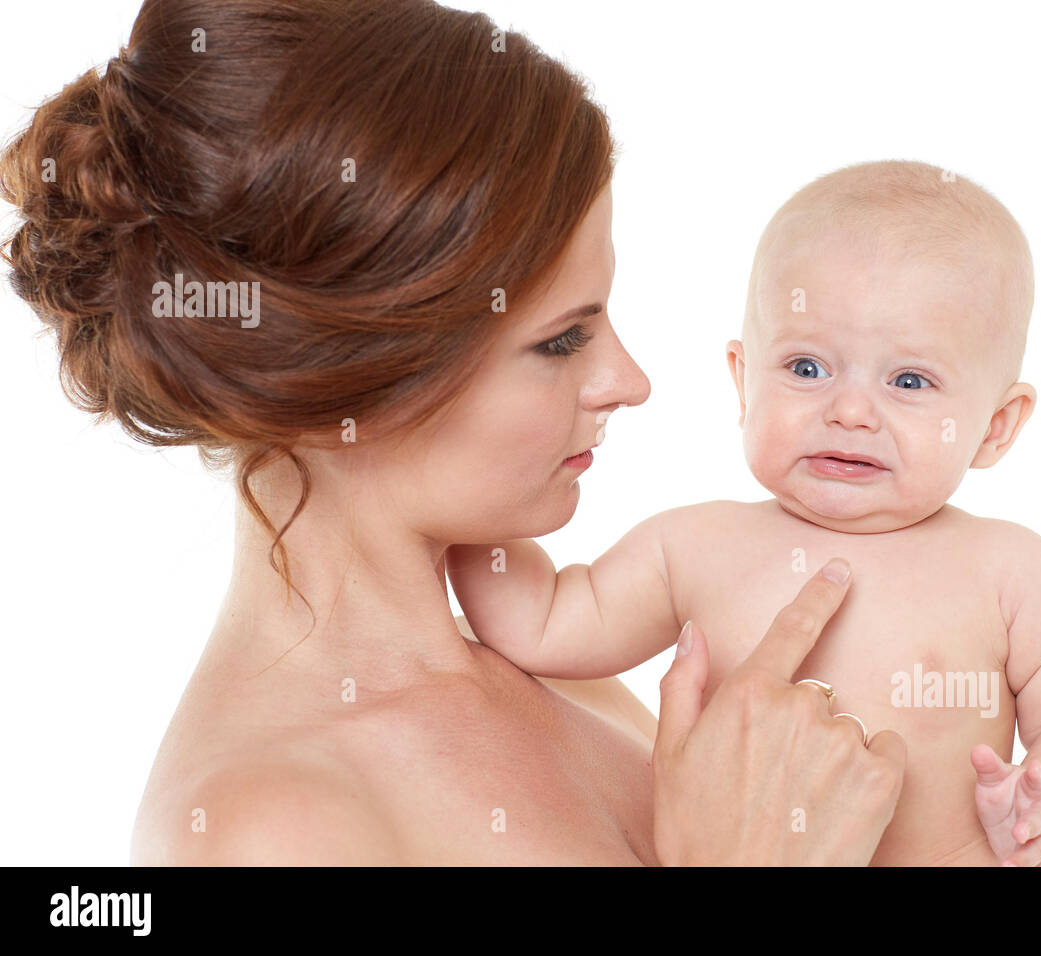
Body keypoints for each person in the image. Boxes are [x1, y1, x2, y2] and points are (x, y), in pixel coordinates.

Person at [0, 0, 904, 865]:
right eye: (560, 340)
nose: (629, 382)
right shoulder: (257, 831)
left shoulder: (554, 668)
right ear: (342, 374)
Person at [446, 160, 1041, 865]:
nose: (848, 411)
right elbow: (542, 624)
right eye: (807, 368)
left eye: (909, 380)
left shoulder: (1010, 572)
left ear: (996, 425)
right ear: (744, 380)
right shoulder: (693, 546)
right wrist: (459, 488)